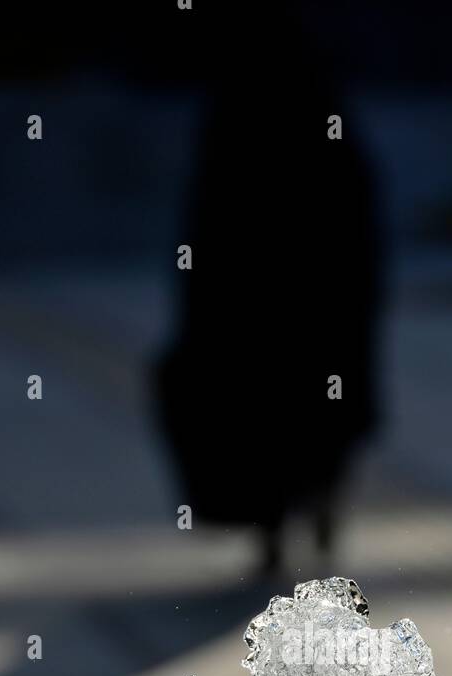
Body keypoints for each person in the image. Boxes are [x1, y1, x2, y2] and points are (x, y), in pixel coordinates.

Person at [154, 2, 381, 574]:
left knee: (267, 414)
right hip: (308, 298)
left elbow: (208, 219)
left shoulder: (241, 112)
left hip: (263, 301)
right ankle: (299, 519)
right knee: (304, 413)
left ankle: (277, 531)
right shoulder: (317, 110)